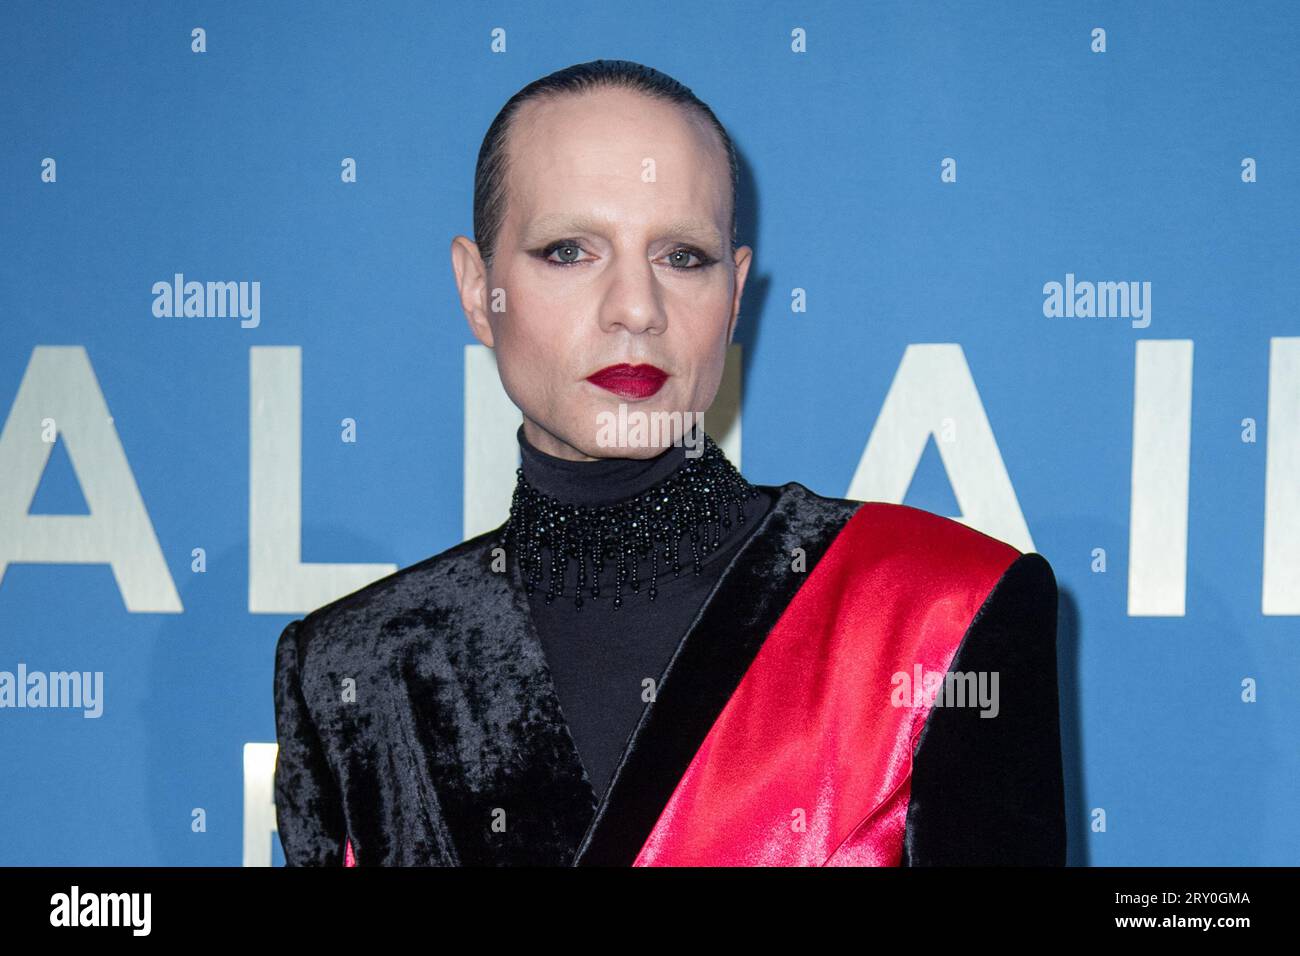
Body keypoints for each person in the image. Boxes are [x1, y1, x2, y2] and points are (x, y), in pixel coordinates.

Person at [272, 59, 1067, 867]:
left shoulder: (938, 612)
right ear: (479, 292)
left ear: (734, 292)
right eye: (569, 250)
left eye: (683, 256)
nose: (636, 310)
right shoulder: (354, 667)